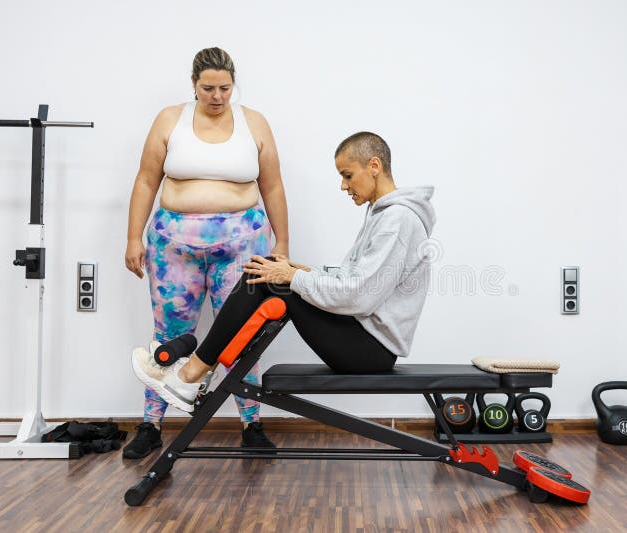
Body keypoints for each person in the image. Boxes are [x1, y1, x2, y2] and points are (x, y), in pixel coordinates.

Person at [132, 131, 435, 412]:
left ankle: (190, 374)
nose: (343, 185)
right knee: (266, 271)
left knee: (266, 279)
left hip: (370, 351)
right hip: (363, 338)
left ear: (374, 166)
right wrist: (294, 269)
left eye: (347, 175)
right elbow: (352, 279)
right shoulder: (385, 215)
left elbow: (359, 297)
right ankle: (195, 371)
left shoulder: (397, 221)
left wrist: (290, 277)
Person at [123, 47, 289, 458]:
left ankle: (252, 425)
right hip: (173, 247)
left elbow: (273, 186)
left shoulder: (254, 123)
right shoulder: (169, 119)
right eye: (208, 88)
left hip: (242, 244)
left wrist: (282, 244)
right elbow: (146, 179)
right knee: (168, 336)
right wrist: (133, 237)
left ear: (234, 84)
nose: (217, 96)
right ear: (194, 84)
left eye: (225, 88)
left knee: (242, 334)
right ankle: (151, 426)